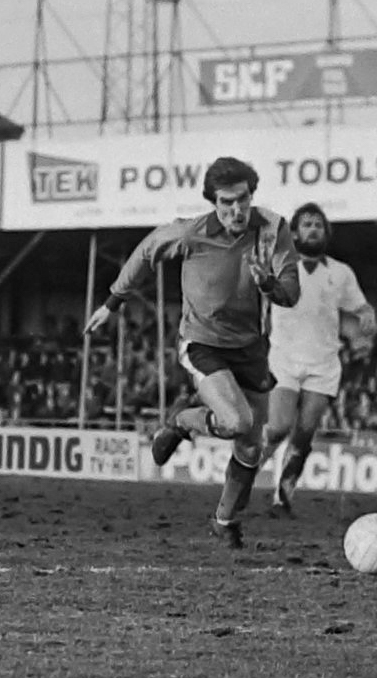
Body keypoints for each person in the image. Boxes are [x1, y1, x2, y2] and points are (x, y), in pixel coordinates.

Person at [84, 157, 300, 548]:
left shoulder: (273, 230)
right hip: (202, 343)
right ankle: (183, 420)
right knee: (236, 421)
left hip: (251, 347)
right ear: (213, 202)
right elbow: (147, 251)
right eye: (226, 202)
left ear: (253, 195)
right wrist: (111, 303)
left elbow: (291, 294)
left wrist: (267, 283)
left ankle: (225, 520)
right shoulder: (190, 233)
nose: (236, 210)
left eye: (243, 200)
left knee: (252, 443)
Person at [262, 203, 376, 517]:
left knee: (305, 431)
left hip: (324, 363)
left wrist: (368, 317)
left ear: (326, 233)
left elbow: (360, 307)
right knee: (278, 427)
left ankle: (282, 497)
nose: (313, 229)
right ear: (295, 232)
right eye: (307, 224)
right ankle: (243, 473)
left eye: (319, 225)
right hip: (284, 359)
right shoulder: (280, 264)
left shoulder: (341, 272)